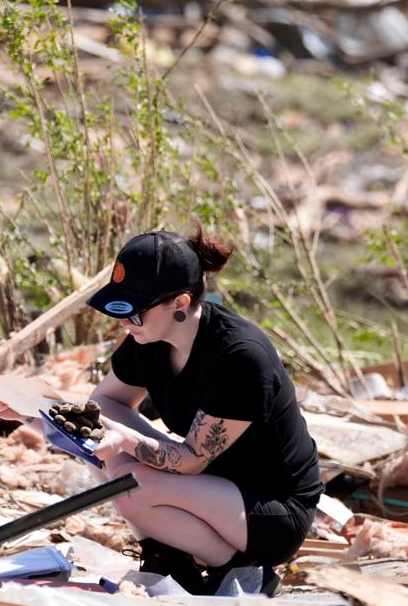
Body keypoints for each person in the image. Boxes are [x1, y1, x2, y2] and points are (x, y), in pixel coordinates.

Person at [84, 229, 323, 596]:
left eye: (134, 313)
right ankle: (169, 554)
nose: (124, 323)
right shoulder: (148, 337)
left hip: (271, 508)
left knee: (132, 486)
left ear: (179, 303)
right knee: (107, 458)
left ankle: (232, 564)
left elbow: (191, 459)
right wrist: (32, 413)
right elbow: (102, 407)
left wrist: (125, 439)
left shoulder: (240, 357)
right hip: (211, 482)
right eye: (119, 310)